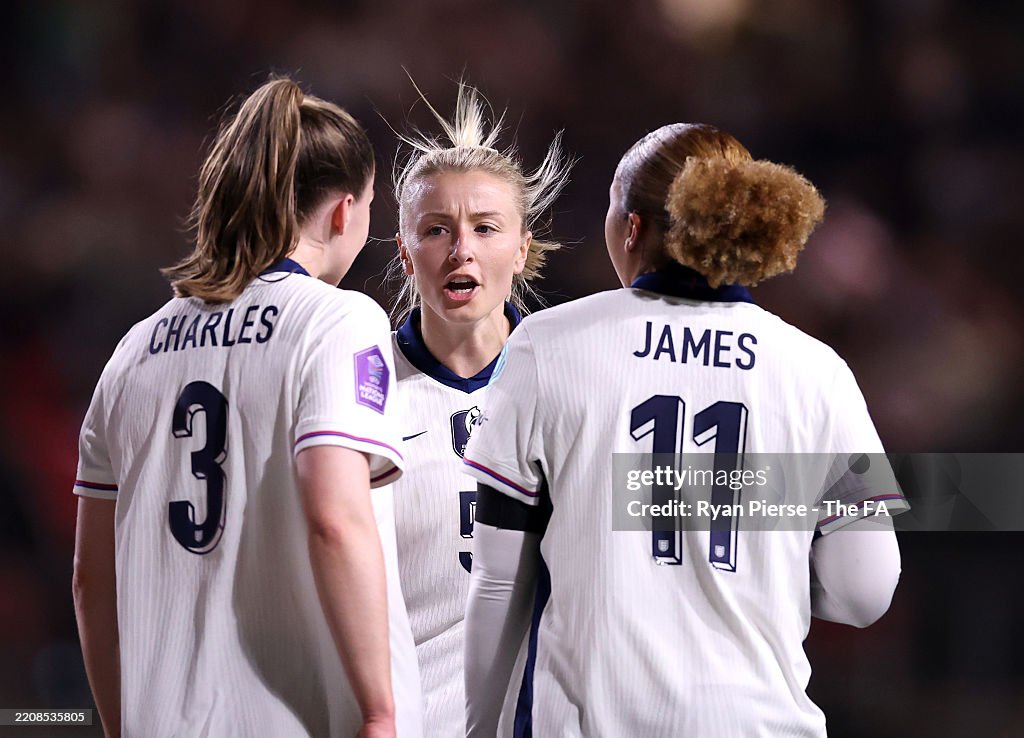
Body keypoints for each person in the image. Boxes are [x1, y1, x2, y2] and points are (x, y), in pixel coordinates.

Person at [461, 123, 906, 736]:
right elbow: (865, 592)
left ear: (632, 228)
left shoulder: (548, 344)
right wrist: (764, 566)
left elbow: (497, 580)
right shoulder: (817, 371)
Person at [72, 77, 422, 738]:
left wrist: (125, 725)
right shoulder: (336, 321)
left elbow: (92, 580)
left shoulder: (131, 352)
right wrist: (381, 711)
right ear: (344, 211)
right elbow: (335, 519)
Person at [387, 82, 571, 737]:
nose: (461, 249)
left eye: (485, 228)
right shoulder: (358, 395)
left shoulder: (578, 386)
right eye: (437, 230)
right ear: (407, 253)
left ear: (521, 248)